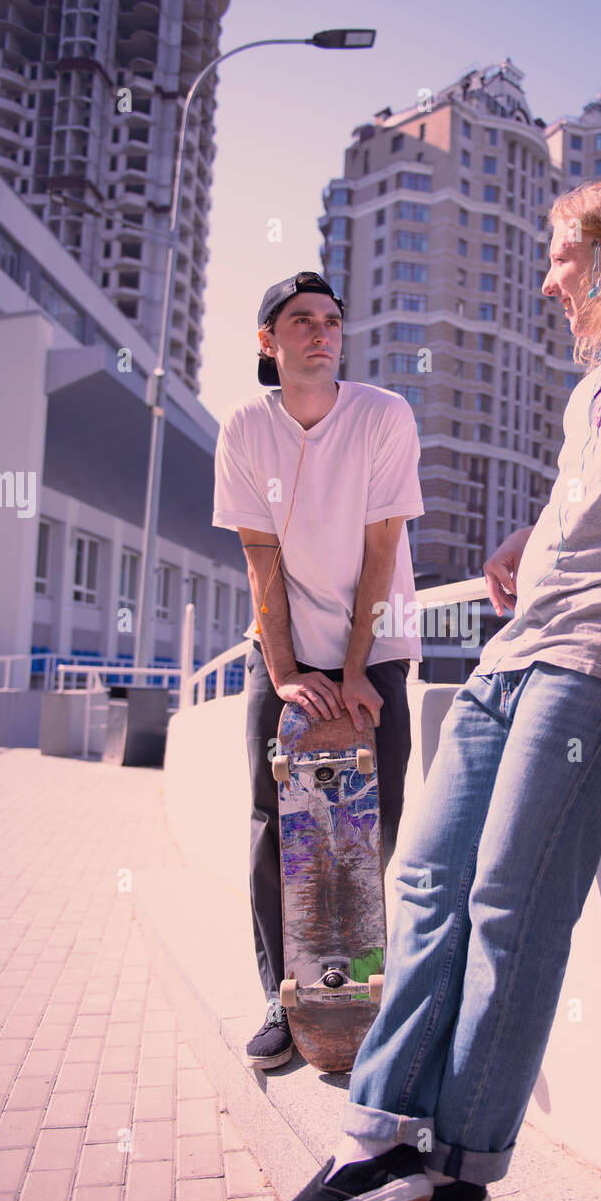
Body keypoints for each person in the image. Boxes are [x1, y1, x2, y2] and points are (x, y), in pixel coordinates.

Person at [234, 175, 601, 1201]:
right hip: (509, 656)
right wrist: (529, 537)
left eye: (558, 256)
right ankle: (376, 1131)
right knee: (422, 874)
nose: (545, 280)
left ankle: (459, 1162)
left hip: (599, 666)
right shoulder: (596, 382)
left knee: (510, 902)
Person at [212, 271, 424, 1071]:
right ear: (268, 342)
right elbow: (260, 562)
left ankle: (365, 993)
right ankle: (284, 996)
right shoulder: (245, 427)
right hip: (284, 649)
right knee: (277, 822)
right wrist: (288, 670)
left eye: (331, 320)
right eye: (300, 321)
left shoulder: (383, 414)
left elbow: (382, 548)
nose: (321, 332)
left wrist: (361, 668)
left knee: (373, 824)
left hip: (381, 647)